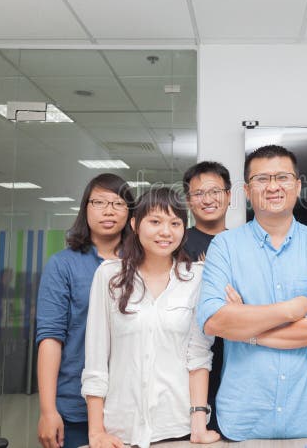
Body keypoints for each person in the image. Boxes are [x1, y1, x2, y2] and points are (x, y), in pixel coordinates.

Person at [197, 144, 307, 441]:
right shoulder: (225, 247)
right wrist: (290, 311)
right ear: (247, 191)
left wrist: (247, 331)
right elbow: (213, 321)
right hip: (244, 419)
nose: (273, 186)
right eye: (262, 179)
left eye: (282, 177)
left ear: (298, 185)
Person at [81, 188, 220, 448]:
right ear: (135, 225)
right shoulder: (109, 276)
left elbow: (199, 356)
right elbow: (96, 359)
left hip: (177, 428)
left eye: (175, 223)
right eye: (155, 221)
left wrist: (198, 426)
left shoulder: (196, 278)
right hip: (119, 431)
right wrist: (96, 431)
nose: (166, 232)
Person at [36, 173, 134, 448]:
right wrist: (48, 410)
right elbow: (51, 338)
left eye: (117, 203)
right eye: (99, 202)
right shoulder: (62, 265)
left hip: (130, 405)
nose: (108, 211)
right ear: (85, 208)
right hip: (75, 407)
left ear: (129, 212)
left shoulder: (140, 265)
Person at [181, 161, 232, 433]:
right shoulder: (175, 244)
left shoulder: (244, 242)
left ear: (229, 195)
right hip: (187, 365)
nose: (208, 199)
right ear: (189, 201)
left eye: (215, 191)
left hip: (236, 360)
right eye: (199, 193)